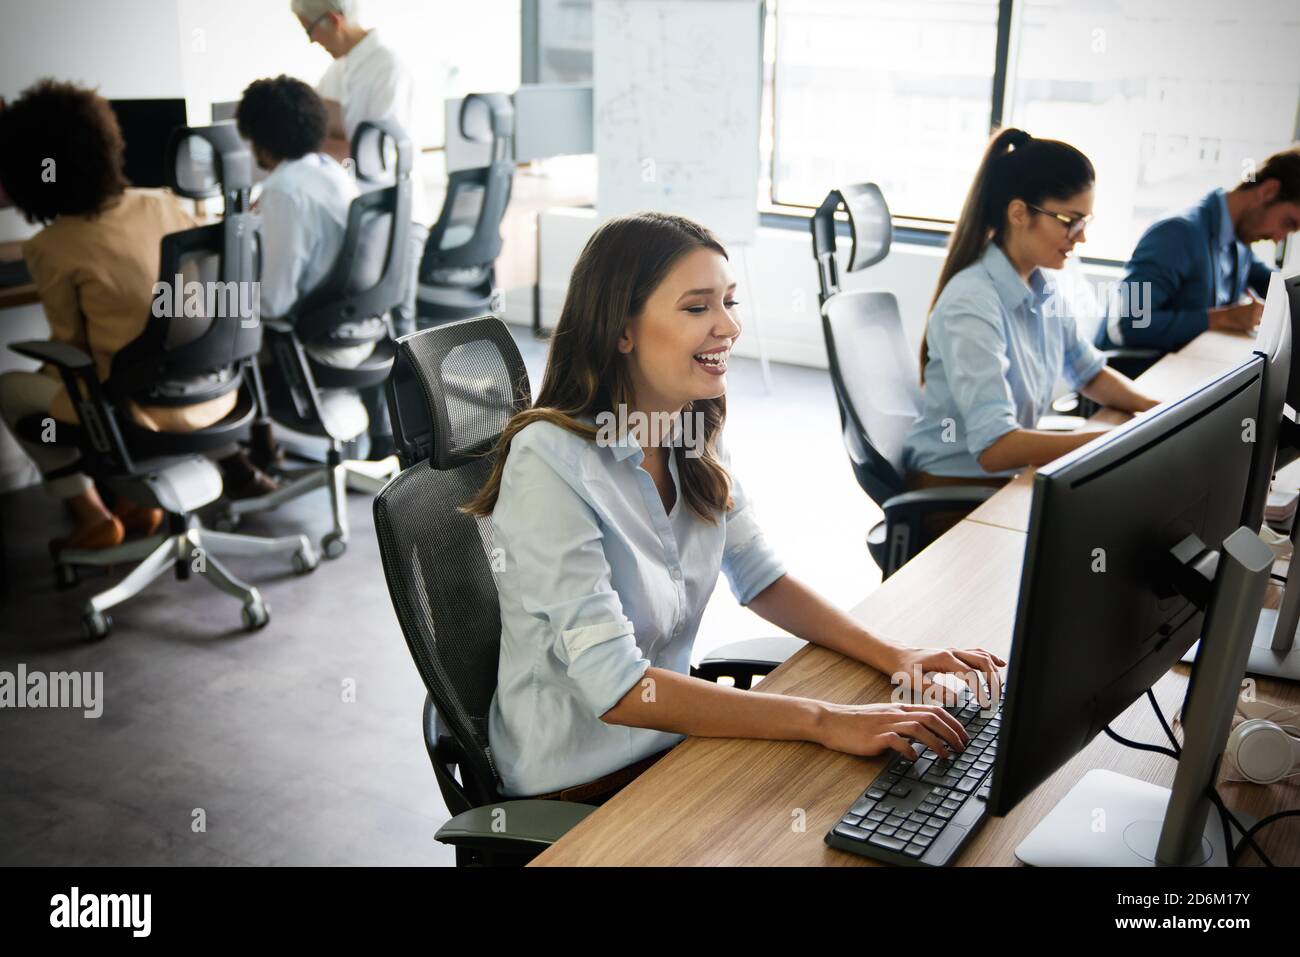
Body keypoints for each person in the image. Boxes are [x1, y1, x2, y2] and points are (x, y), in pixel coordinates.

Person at [463, 212, 1005, 801]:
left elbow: (759, 574)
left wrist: (897, 655)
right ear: (622, 330)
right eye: (698, 307)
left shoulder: (690, 430)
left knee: (878, 793)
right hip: (580, 780)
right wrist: (824, 719)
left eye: (730, 301)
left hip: (672, 745)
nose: (729, 326)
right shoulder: (548, 461)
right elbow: (617, 688)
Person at [0, 80, 270, 553]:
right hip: (218, 394)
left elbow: (70, 349)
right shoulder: (165, 204)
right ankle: (135, 504)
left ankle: (94, 516)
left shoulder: (50, 246)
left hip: (140, 416)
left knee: (12, 389)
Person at [902, 128, 1159, 545]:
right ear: (1019, 213)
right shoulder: (972, 303)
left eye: (1085, 222)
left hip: (1006, 480)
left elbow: (1088, 372)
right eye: (1071, 222)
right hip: (957, 496)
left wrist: (1156, 411)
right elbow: (996, 448)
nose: (1081, 236)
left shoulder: (1043, 286)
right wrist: (1111, 441)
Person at [292, 0, 431, 457]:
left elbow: (369, 149)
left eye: (310, 30)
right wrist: (335, 136)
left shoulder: (388, 67)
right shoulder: (335, 72)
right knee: (365, 321)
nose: (311, 41)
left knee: (400, 326)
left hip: (396, 216)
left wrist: (337, 136)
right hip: (357, 218)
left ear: (333, 20)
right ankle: (379, 439)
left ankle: (415, 443)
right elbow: (313, 136)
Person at [1096, 146, 1300, 353]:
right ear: (1268, 191)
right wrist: (1223, 318)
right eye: (1288, 223)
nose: (1278, 238)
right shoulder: (1176, 234)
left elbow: (1274, 284)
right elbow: (1126, 325)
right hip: (1144, 367)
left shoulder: (1239, 240)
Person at [235, 76, 373, 371]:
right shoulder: (331, 170)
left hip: (316, 345)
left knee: (205, 324)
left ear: (260, 140)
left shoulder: (283, 191)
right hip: (359, 331)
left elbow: (272, 304)